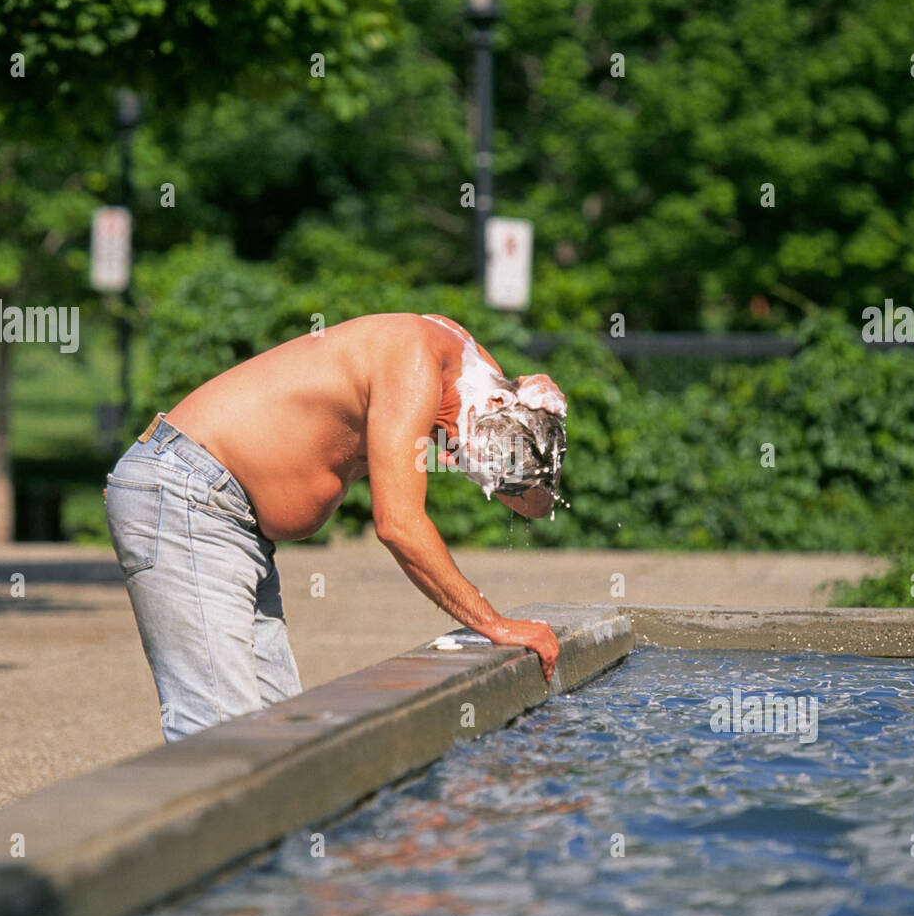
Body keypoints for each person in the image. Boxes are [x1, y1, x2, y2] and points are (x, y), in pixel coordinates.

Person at [104, 312, 568, 741]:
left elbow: (529, 505)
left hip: (230, 519)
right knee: (222, 739)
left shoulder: (481, 385)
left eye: (458, 460)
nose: (443, 457)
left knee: (281, 738)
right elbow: (399, 525)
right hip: (188, 493)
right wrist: (494, 624)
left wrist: (545, 429)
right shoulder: (413, 359)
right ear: (493, 400)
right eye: (453, 446)